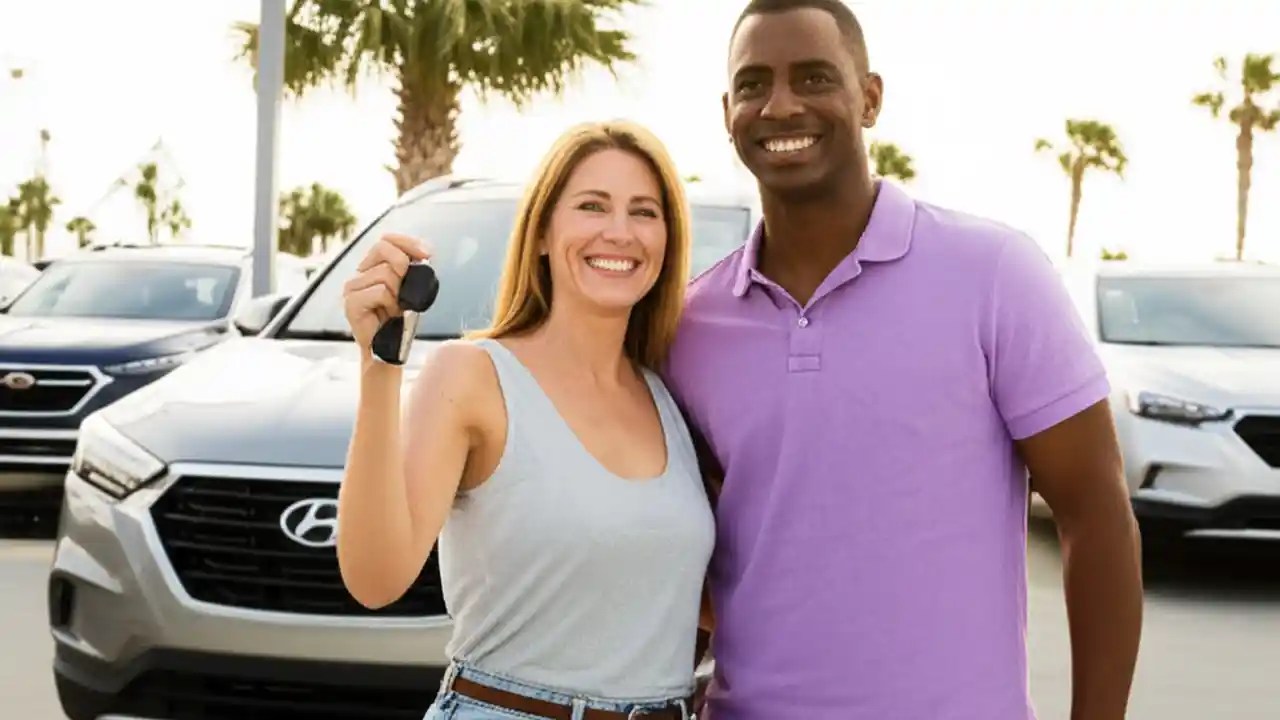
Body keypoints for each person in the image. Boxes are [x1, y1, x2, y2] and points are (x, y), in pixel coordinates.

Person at [664, 1, 1145, 718]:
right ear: (727, 111)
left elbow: (1095, 514)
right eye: (754, 83)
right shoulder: (694, 325)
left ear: (870, 98)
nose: (781, 104)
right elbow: (680, 548)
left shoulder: (993, 274)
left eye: (815, 77)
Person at [337, 120, 716, 720]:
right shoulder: (473, 375)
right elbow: (374, 578)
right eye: (593, 206)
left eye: (644, 212)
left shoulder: (672, 396)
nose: (619, 232)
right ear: (541, 232)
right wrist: (378, 365)